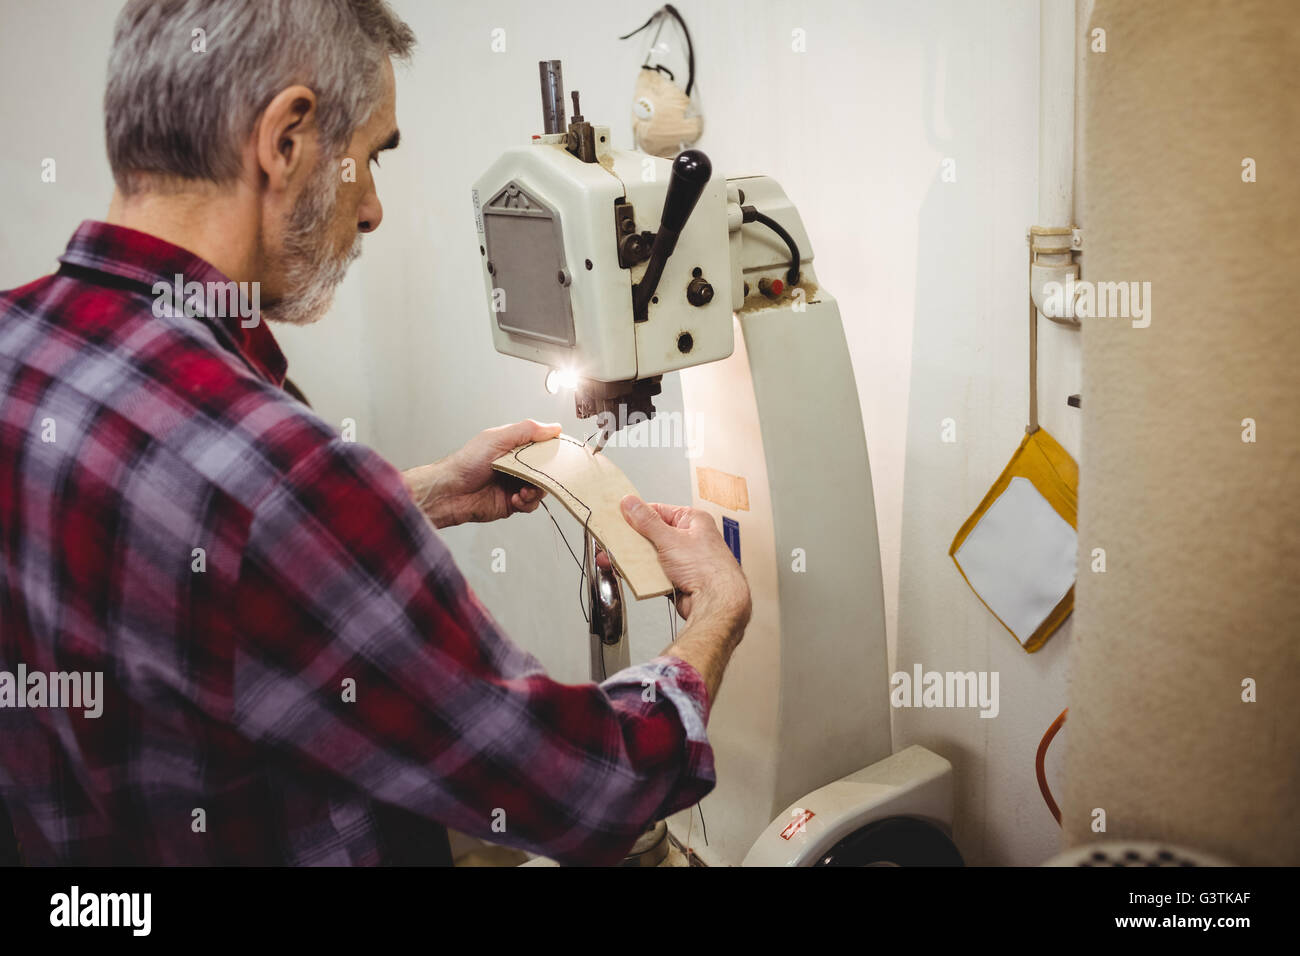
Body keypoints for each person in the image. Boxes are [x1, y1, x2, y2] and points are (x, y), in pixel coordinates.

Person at [0, 0, 750, 866]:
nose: (373, 211)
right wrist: (715, 622)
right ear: (286, 139)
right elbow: (589, 790)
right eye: (368, 159)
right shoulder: (287, 485)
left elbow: (162, 537)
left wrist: (410, 495)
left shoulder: (23, 348)